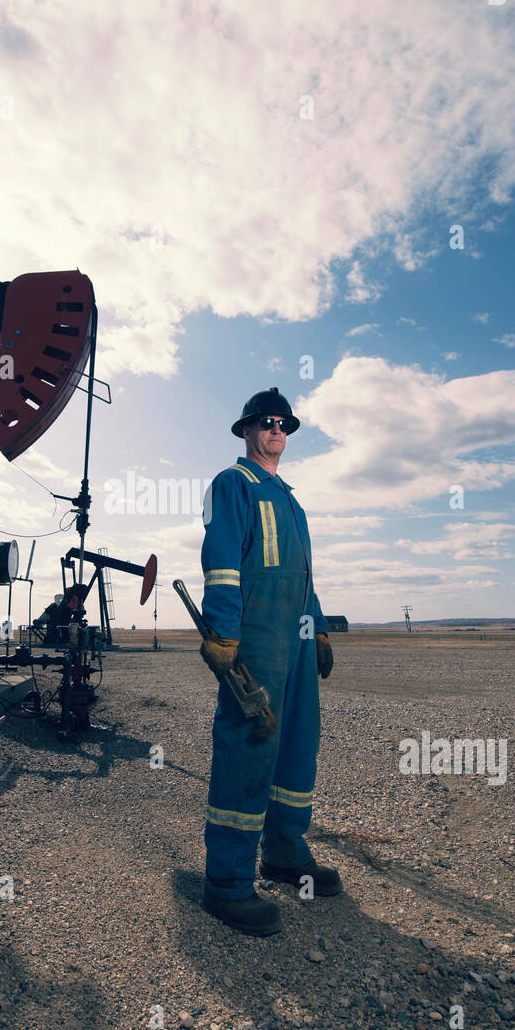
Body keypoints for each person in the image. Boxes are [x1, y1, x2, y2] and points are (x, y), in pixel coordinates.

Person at [199, 387, 340, 936]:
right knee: (250, 744)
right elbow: (222, 563)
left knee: (298, 742)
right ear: (247, 431)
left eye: (284, 423)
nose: (276, 430)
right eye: (266, 422)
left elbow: (304, 578)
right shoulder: (232, 484)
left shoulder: (292, 499)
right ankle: (228, 882)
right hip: (255, 639)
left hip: (298, 639)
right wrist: (224, 633)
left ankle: (284, 851)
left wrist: (321, 629)